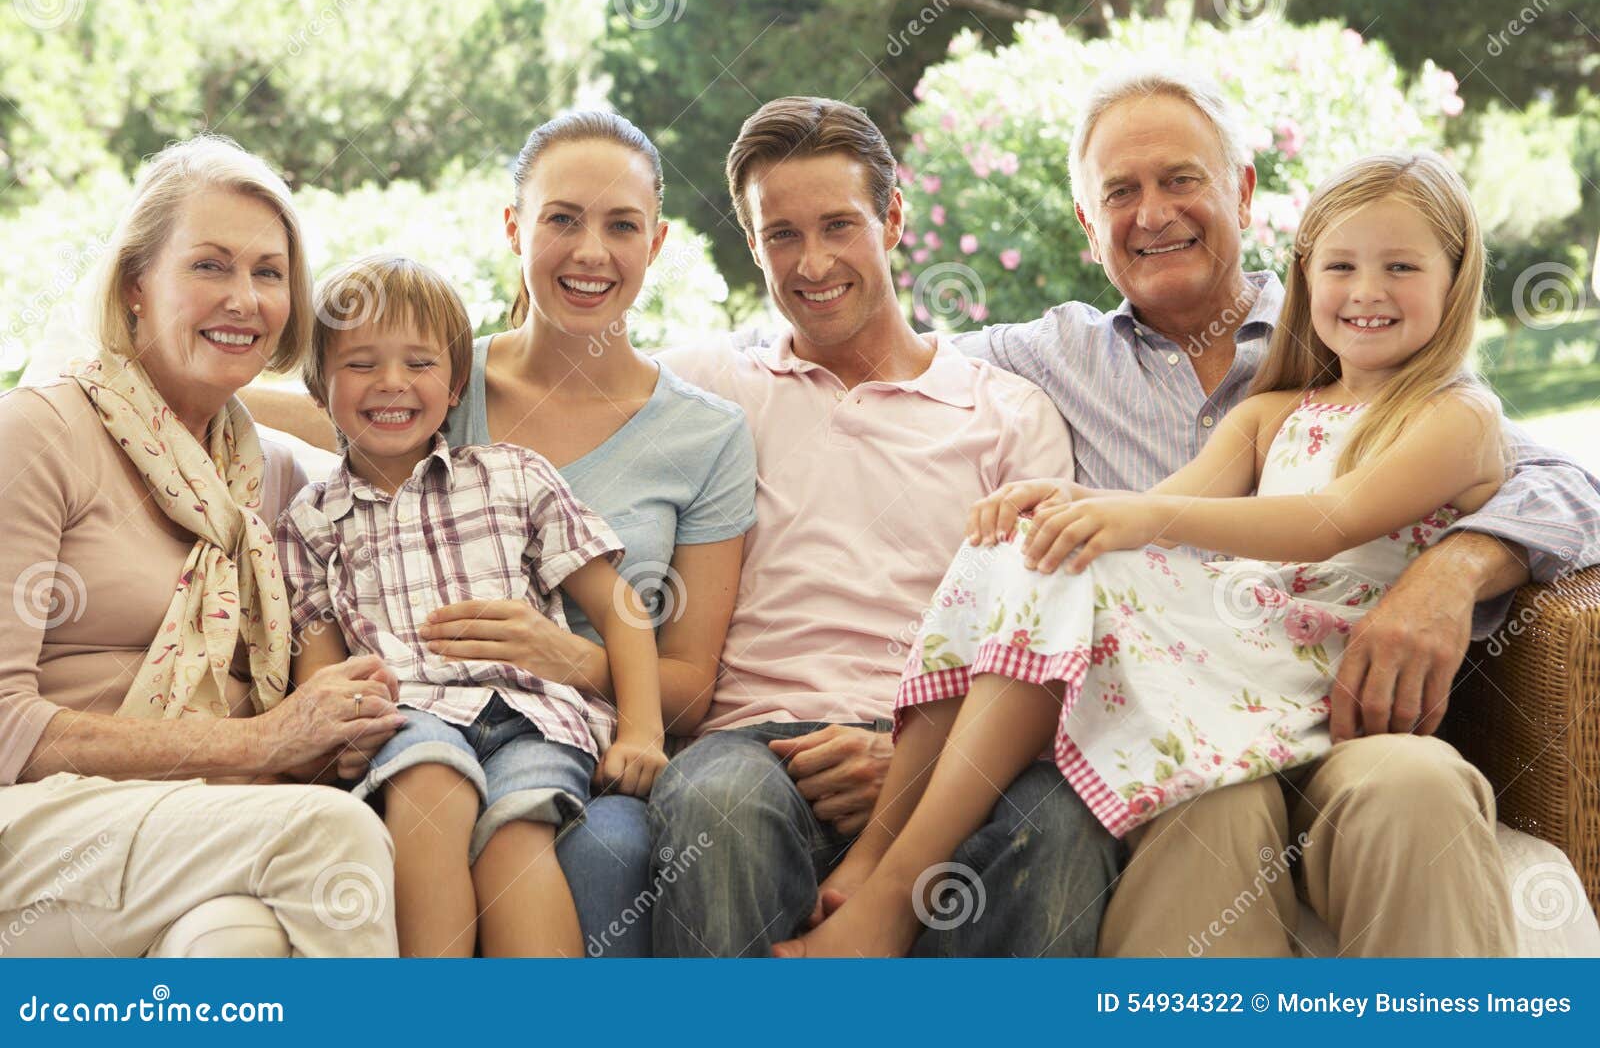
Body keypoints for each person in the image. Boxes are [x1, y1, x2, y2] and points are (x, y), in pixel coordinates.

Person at [779, 150, 1509, 955]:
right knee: (1029, 547)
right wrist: (1067, 504)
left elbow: (1329, 519)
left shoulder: (1457, 416)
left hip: (1327, 677)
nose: (1367, 291)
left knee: (1073, 564)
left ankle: (892, 896)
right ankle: (886, 858)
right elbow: (1180, 498)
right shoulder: (1271, 412)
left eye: (1400, 266)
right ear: (1309, 275)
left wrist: (1137, 521)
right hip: (1237, 667)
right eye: (1342, 265)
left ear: (1456, 276)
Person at [948, 63, 1600, 956]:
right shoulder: (1049, 356)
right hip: (1198, 717)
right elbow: (888, 352)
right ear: (1086, 222)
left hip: (1356, 716)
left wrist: (1459, 566)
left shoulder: (1410, 390)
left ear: (1243, 192)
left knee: (1415, 787)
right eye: (1121, 191)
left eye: (1182, 179)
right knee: (1209, 805)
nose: (1154, 212)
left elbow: (1567, 484)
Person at [240, 111, 755, 956]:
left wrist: (564, 660)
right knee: (431, 794)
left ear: (656, 242)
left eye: (621, 224)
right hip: (414, 720)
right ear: (515, 227)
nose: (590, 251)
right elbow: (323, 402)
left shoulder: (697, 437)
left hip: (561, 721)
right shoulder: (438, 371)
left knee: (563, 841)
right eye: (561, 218)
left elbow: (687, 677)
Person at [647, 96, 1114, 957]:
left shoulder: (1006, 411)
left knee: (1058, 823)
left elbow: (1036, 635)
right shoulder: (715, 386)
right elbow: (526, 382)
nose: (812, 261)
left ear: (892, 217)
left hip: (948, 753)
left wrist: (900, 763)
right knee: (715, 805)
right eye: (780, 234)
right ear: (752, 245)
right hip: (757, 745)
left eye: (837, 225)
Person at [0, 135, 402, 958]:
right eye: (210, 266)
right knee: (332, 839)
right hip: (33, 823)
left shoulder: (264, 473)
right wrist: (266, 739)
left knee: (241, 944)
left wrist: (339, 727)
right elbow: (5, 727)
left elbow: (402, 421)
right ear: (135, 285)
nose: (245, 299)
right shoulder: (39, 433)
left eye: (268, 273)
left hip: (183, 827)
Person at [277, 254, 668, 957]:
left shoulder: (513, 476)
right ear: (319, 385)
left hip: (534, 717)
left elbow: (621, 608)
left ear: (457, 382)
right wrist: (338, 732)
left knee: (517, 835)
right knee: (431, 786)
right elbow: (319, 671)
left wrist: (642, 730)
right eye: (361, 363)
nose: (392, 383)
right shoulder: (310, 520)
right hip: (409, 717)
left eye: (419, 363)